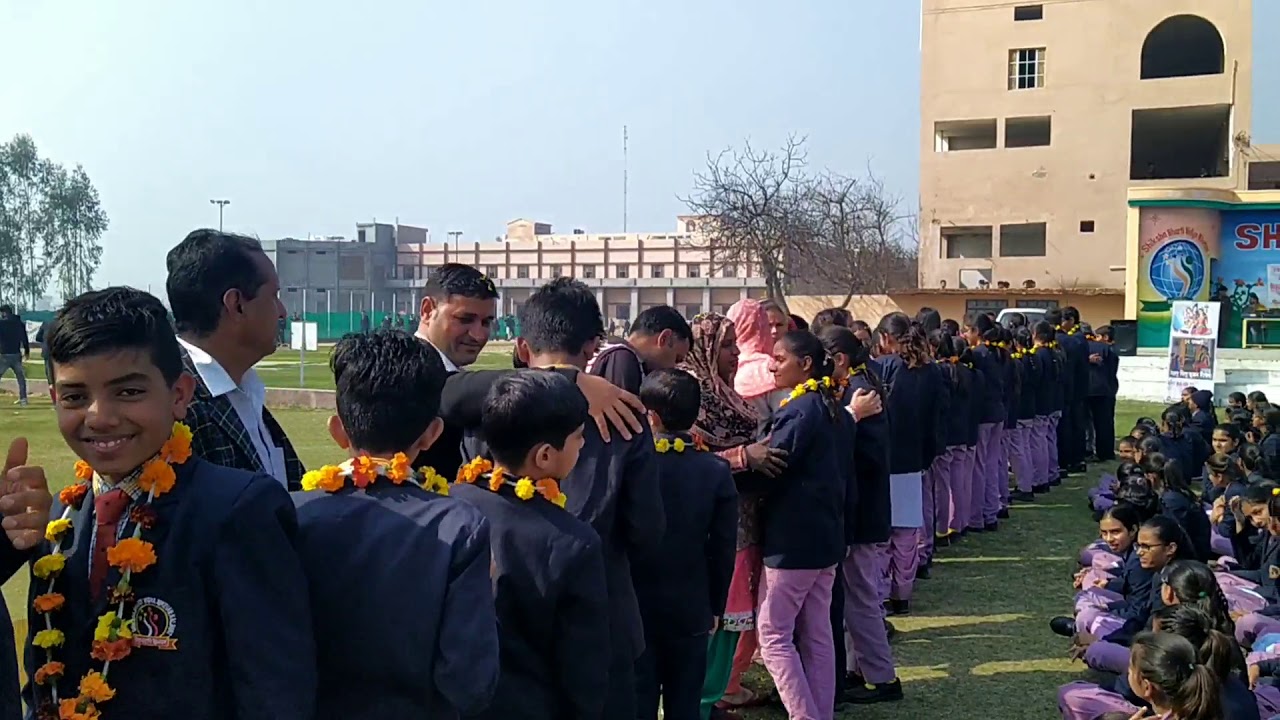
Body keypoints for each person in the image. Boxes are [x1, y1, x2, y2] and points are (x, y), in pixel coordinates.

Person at [12, 287, 315, 718]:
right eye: (76, 397)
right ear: (55, 398)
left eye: (128, 392)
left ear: (180, 395)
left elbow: (275, 692)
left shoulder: (236, 510)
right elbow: (45, 679)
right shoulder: (60, 524)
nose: (99, 416)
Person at [478, 278, 663, 719]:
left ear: (523, 347)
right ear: (593, 347)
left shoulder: (489, 409)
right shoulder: (625, 417)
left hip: (502, 614)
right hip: (602, 620)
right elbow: (646, 532)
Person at [291, 330, 500, 718]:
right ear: (433, 434)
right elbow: (470, 680)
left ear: (337, 430)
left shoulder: (291, 514)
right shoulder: (457, 526)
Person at [453, 371, 611, 720]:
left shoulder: (447, 506)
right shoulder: (572, 541)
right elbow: (582, 667)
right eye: (578, 438)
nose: (582, 446)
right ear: (544, 456)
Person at [675, 313, 786, 719]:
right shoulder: (690, 395)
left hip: (748, 518)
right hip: (715, 528)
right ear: (704, 348)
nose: (735, 353)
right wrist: (744, 456)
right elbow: (678, 457)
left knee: (739, 618)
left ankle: (723, 689)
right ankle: (704, 699)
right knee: (720, 618)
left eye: (735, 343)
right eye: (725, 345)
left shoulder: (726, 392)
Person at [756, 330, 855, 720]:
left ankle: (805, 714)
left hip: (793, 542)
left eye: (779, 358)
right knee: (817, 633)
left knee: (775, 634)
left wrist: (728, 464)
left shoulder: (802, 411)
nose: (771, 364)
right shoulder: (829, 406)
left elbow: (772, 465)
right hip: (825, 537)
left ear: (806, 365)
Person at [633, 369, 738, 720]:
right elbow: (723, 547)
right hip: (691, 604)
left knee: (639, 697)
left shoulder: (631, 467)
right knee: (685, 701)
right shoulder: (714, 470)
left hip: (637, 603)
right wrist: (716, 605)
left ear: (651, 416)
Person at [165, 229, 304, 489]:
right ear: (237, 304)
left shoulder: (243, 388)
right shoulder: (174, 405)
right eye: (274, 296)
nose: (282, 312)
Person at [820, 327, 901, 705]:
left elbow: (858, 455)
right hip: (863, 507)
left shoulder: (857, 392)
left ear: (838, 359)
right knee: (856, 594)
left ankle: (883, 677)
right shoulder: (861, 384)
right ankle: (859, 669)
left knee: (862, 596)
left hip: (861, 510)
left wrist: (845, 420)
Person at [875, 312, 944, 614]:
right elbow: (936, 418)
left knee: (880, 536)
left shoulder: (884, 368)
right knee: (905, 533)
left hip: (882, 459)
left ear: (885, 339)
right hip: (913, 459)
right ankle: (902, 592)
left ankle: (878, 592)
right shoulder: (932, 372)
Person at [963, 314, 1007, 530]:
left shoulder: (976, 354)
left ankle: (976, 517)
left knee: (979, 467)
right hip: (998, 412)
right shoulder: (999, 353)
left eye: (967, 330)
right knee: (991, 464)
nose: (964, 335)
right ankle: (991, 512)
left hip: (983, 415)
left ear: (976, 332)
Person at [588, 305, 692, 394]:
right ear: (664, 338)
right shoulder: (622, 358)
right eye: (677, 359)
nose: (675, 368)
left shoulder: (613, 350)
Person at [1086, 325, 1120, 462]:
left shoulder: (1092, 348)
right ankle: (1106, 452)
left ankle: (1090, 449)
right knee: (1105, 423)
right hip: (1107, 390)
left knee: (1089, 423)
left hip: (1091, 390)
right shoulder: (1111, 351)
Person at [0, 304, 29, 406]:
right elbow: (24, 338)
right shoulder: (19, 323)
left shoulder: (1, 324)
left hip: (4, 354)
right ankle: (23, 399)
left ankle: (23, 399)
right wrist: (27, 351)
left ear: (4, 313)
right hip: (16, 354)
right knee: (21, 378)